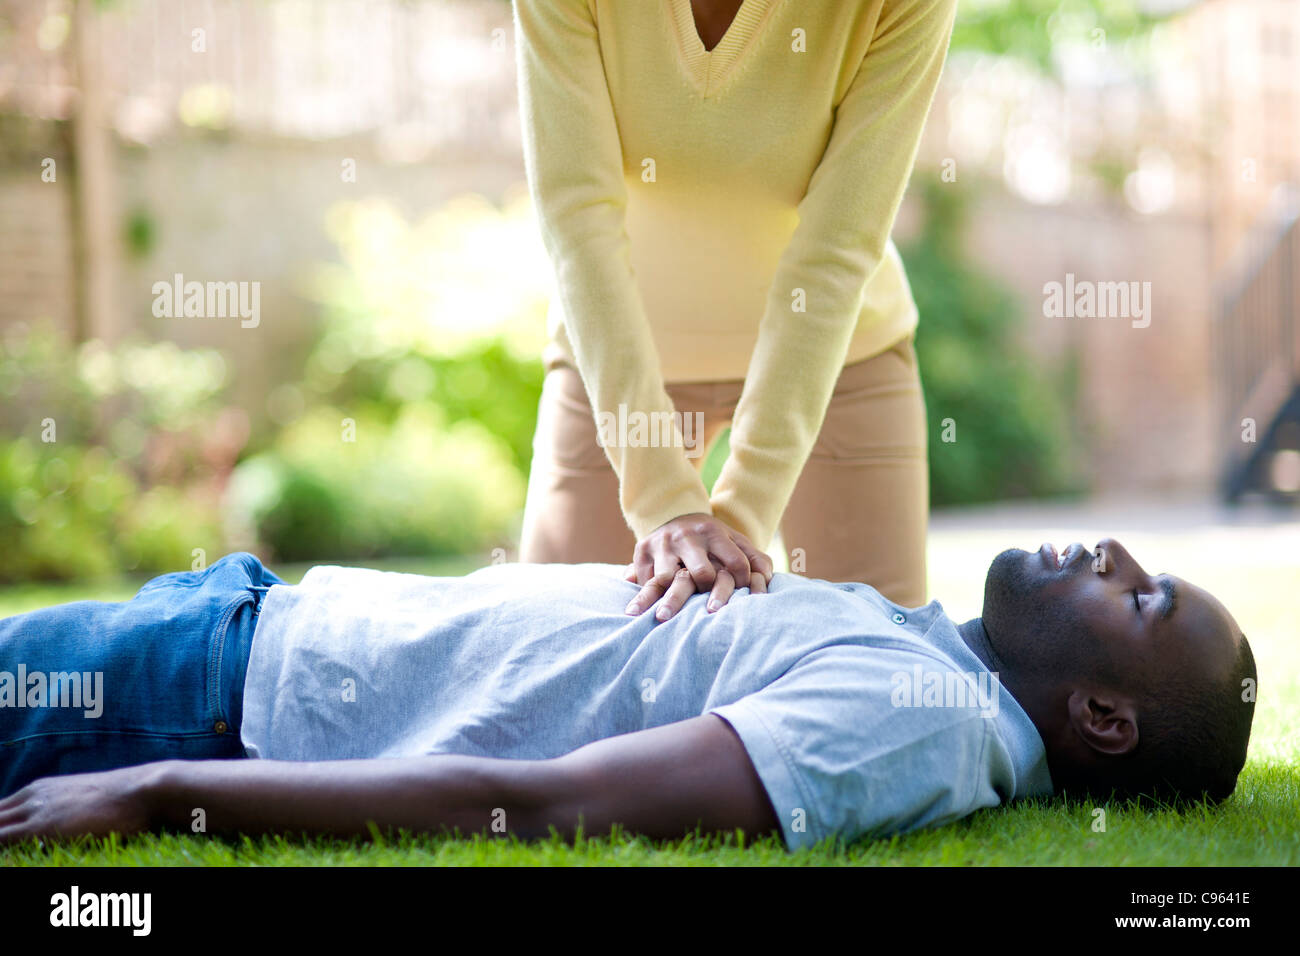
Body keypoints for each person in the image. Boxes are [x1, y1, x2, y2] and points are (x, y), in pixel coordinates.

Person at [0, 538, 1255, 850]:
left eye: (1142, 598)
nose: (1111, 553)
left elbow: (545, 807)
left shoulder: (914, 719)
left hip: (207, 697)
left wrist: (162, 786)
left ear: (1103, 718)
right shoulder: (929, 658)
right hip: (244, 617)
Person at [514, 0, 959, 613]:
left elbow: (836, 245)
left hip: (837, 368)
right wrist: (664, 501)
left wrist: (742, 520)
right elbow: (576, 216)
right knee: (550, 664)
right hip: (615, 371)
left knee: (877, 661)